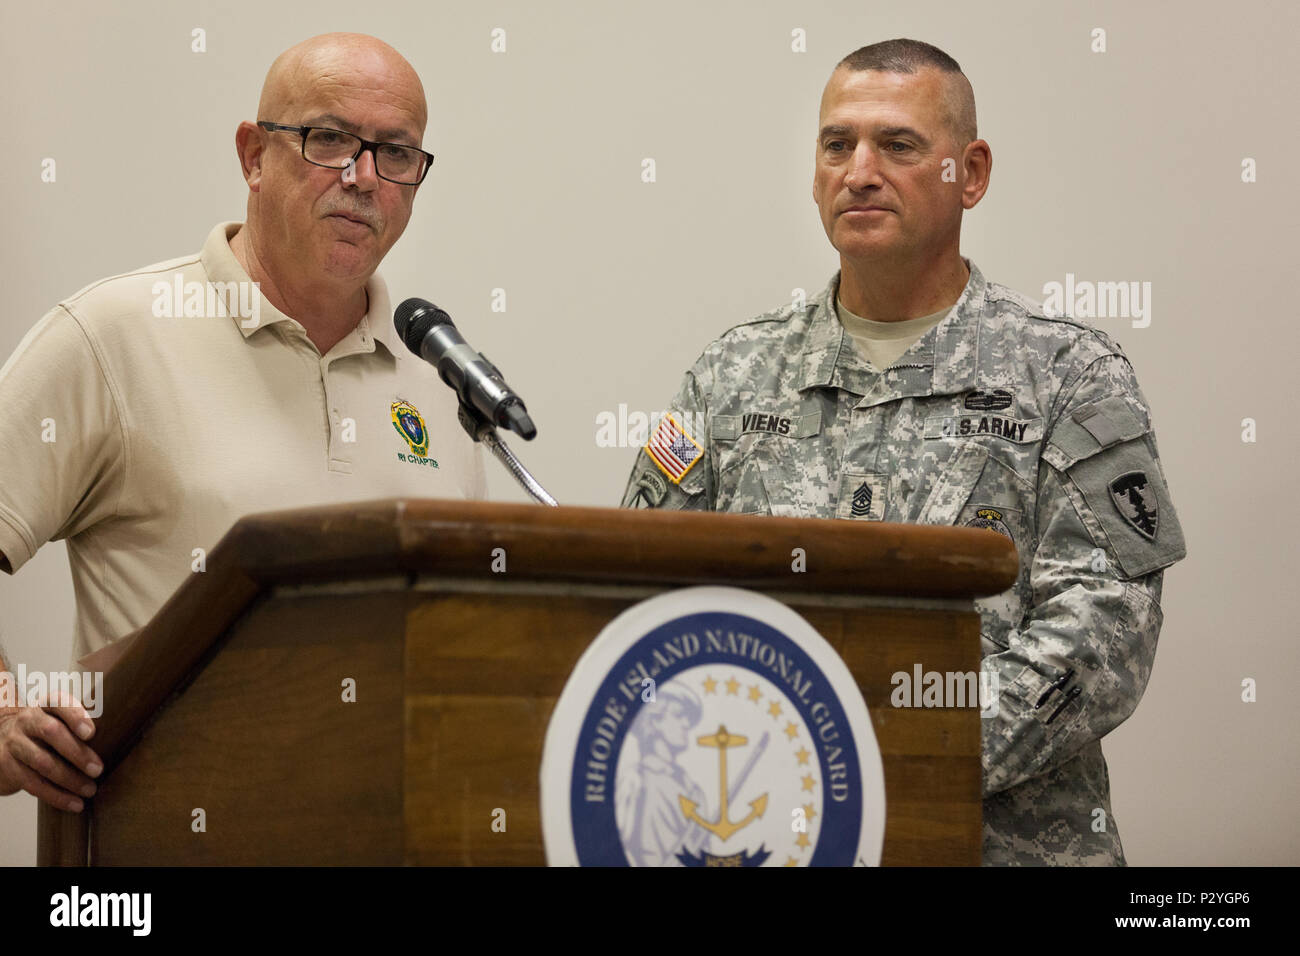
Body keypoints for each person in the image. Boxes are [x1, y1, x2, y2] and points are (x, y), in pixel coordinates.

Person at [620, 39, 1186, 866]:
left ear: (973, 171)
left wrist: (865, 758)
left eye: (899, 145)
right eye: (836, 144)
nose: (859, 171)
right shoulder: (729, 376)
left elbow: (1103, 636)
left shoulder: (1070, 376)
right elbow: (644, 589)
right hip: (765, 839)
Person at [0, 33, 485, 815]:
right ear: (253, 156)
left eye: (396, 153)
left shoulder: (436, 379)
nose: (363, 178)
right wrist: (6, 719)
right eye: (328, 139)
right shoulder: (117, 332)